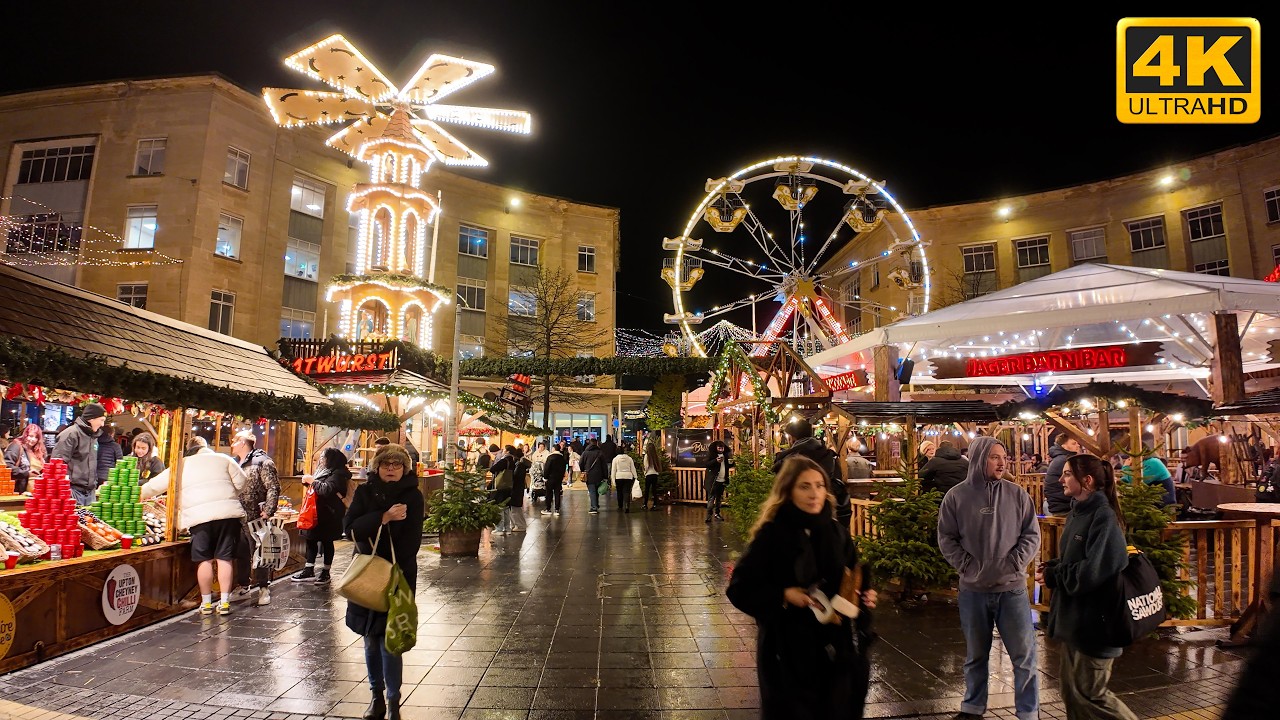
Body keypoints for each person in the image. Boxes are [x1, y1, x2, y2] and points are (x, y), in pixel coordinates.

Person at [727, 455, 877, 719]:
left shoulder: (836, 533)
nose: (814, 493)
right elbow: (739, 588)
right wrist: (783, 595)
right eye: (804, 486)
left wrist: (864, 596)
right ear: (788, 490)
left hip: (834, 651)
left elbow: (851, 576)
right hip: (787, 653)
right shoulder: (771, 536)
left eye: (819, 485)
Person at [937, 436, 1041, 720]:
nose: (1001, 462)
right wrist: (967, 566)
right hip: (973, 590)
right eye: (995, 456)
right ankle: (972, 707)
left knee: (1024, 658)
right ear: (980, 458)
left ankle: (1029, 712)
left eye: (1003, 456)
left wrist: (1014, 563)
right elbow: (946, 537)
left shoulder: (1017, 495)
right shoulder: (956, 497)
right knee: (976, 656)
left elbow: (1031, 535)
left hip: (1013, 591)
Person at [1036, 454, 1138, 720]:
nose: (1060, 479)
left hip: (1096, 624)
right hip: (1076, 621)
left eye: (1068, 474)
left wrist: (1056, 576)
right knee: (1071, 692)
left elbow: (1094, 570)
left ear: (1088, 480)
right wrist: (1054, 566)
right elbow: (1077, 558)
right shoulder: (1078, 511)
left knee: (1091, 693)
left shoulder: (1104, 517)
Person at [344, 443, 423, 720]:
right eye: (386, 464)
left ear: (404, 468)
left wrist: (390, 572)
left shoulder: (413, 497)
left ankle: (393, 702)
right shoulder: (365, 492)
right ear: (377, 467)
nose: (391, 469)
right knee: (369, 639)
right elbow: (349, 528)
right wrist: (383, 517)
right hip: (366, 575)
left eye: (397, 464)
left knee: (390, 641)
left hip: (398, 577)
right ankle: (376, 697)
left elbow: (412, 542)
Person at [142, 436, 247, 616]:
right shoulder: (224, 459)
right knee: (224, 558)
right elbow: (242, 482)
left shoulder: (182, 464)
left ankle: (206, 604)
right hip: (227, 516)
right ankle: (224, 602)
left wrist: (137, 493)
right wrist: (229, 494)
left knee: (204, 559)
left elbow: (154, 486)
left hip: (199, 518)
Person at [231, 431, 280, 606]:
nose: (232, 443)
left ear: (244, 443)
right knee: (241, 552)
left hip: (255, 516)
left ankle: (263, 588)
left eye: (235, 441)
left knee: (259, 552)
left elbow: (273, 487)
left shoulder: (263, 461)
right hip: (238, 515)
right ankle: (244, 585)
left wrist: (268, 510)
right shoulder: (236, 463)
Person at [772, 418, 848, 531]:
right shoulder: (828, 456)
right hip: (828, 514)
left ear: (793, 438)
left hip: (794, 518)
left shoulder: (789, 462)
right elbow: (838, 481)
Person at [292, 447, 351, 584]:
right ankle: (309, 569)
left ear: (332, 459)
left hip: (329, 514)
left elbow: (327, 490)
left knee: (327, 541)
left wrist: (313, 481)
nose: (322, 460)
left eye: (325, 458)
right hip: (315, 512)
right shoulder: (325, 471)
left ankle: (326, 572)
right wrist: (309, 483)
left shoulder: (339, 474)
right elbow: (319, 489)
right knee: (310, 539)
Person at [52, 403, 106, 506]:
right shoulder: (70, 434)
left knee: (88, 521)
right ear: (91, 419)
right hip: (72, 491)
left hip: (90, 493)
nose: (103, 425)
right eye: (101, 420)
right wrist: (63, 491)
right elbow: (57, 464)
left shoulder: (93, 437)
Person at [1044, 434, 1080, 517]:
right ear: (1064, 446)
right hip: (1064, 508)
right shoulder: (1065, 460)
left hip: (1056, 505)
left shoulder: (1060, 459)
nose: (1078, 445)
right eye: (1073, 443)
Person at [4, 423, 45, 494]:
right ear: (25, 435)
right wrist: (26, 473)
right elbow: (7, 466)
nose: (33, 439)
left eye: (36, 437)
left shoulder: (38, 451)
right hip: (19, 490)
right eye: (31, 436)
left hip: (35, 492)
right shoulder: (16, 446)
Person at [704, 440, 733, 523]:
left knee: (719, 499)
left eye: (722, 448)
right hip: (713, 481)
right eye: (719, 448)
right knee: (711, 499)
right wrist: (715, 461)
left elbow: (728, 465)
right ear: (716, 448)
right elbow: (706, 464)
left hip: (722, 480)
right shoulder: (711, 455)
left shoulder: (726, 455)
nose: (721, 449)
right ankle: (708, 516)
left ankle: (717, 514)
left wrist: (732, 463)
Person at [579, 438, 606, 514]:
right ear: (596, 443)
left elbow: (580, 463)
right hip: (599, 475)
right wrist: (605, 476)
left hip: (589, 475)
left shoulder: (585, 453)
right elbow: (604, 465)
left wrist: (583, 470)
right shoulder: (600, 453)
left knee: (592, 491)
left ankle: (594, 507)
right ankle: (596, 505)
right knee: (596, 491)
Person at [541, 442, 568, 515]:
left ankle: (548, 509)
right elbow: (563, 468)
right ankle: (557, 509)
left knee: (549, 493)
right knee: (557, 493)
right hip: (558, 478)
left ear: (553, 449)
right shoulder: (562, 458)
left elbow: (547, 468)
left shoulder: (550, 457)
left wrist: (545, 477)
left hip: (550, 478)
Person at [611, 447, 639, 512]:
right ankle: (627, 506)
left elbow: (613, 470)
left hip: (618, 477)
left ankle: (620, 506)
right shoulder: (629, 459)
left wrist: (613, 480)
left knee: (619, 492)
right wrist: (635, 476)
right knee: (627, 492)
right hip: (628, 477)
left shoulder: (615, 459)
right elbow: (633, 468)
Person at [508, 447, 530, 531]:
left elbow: (516, 476)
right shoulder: (520, 464)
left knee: (515, 508)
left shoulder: (519, 465)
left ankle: (520, 525)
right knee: (515, 508)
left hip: (517, 489)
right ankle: (517, 524)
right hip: (518, 488)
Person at [641, 440, 662, 510]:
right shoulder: (656, 456)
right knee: (654, 490)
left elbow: (646, 466)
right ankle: (655, 504)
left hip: (648, 475)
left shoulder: (647, 456)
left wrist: (645, 473)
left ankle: (645, 504)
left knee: (647, 490)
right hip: (655, 474)